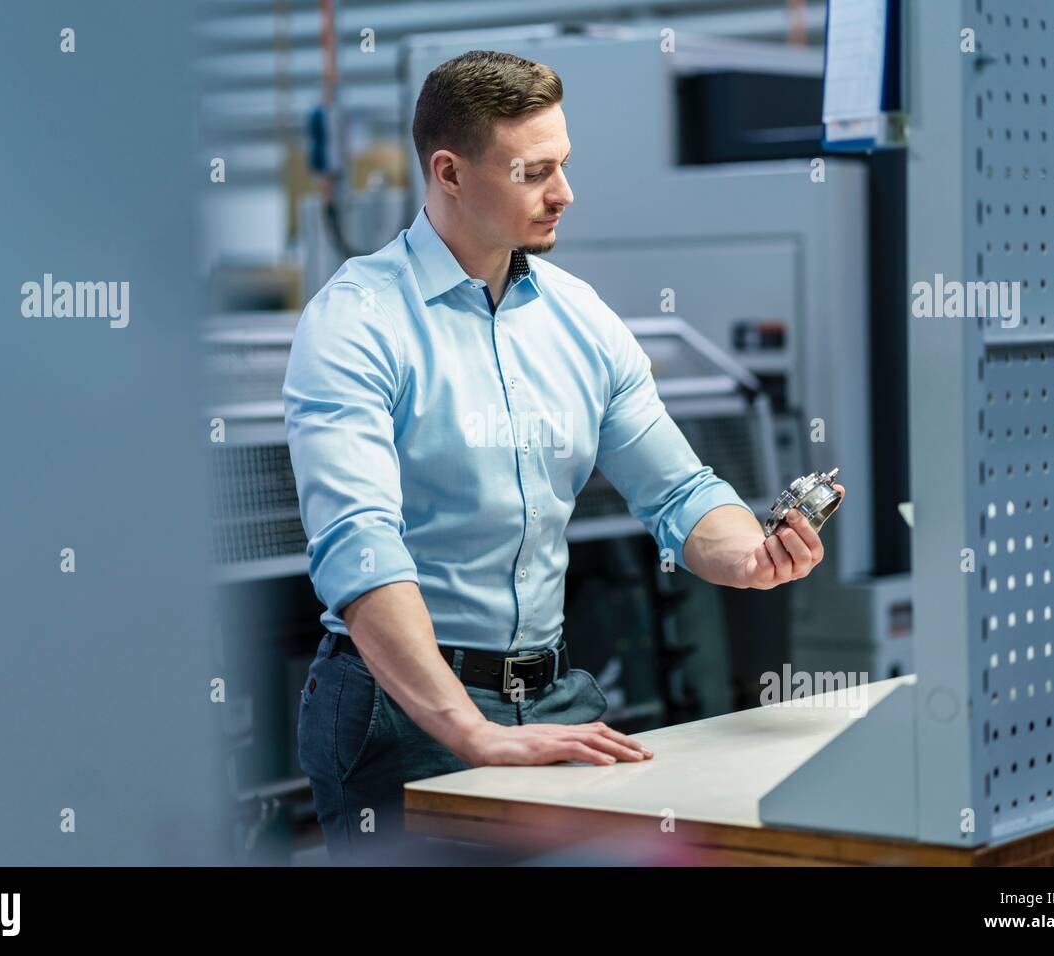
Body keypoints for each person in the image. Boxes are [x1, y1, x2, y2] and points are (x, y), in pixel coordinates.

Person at [283, 49, 843, 862]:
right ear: (450, 172)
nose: (564, 193)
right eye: (534, 170)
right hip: (399, 710)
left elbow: (681, 491)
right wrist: (469, 731)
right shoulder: (358, 322)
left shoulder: (581, 320)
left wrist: (751, 556)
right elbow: (360, 553)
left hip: (551, 696)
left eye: (565, 164)